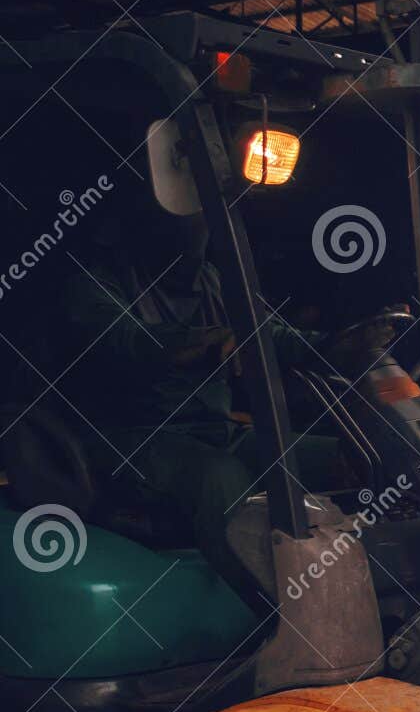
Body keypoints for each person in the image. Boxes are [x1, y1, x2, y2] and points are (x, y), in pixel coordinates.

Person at [54, 205, 384, 614]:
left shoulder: (210, 280)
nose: (194, 235)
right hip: (131, 441)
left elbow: (267, 334)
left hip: (216, 433)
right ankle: (279, 618)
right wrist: (206, 342)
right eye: (181, 221)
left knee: (348, 456)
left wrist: (333, 345)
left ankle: (375, 599)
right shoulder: (94, 284)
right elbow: (129, 342)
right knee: (221, 480)